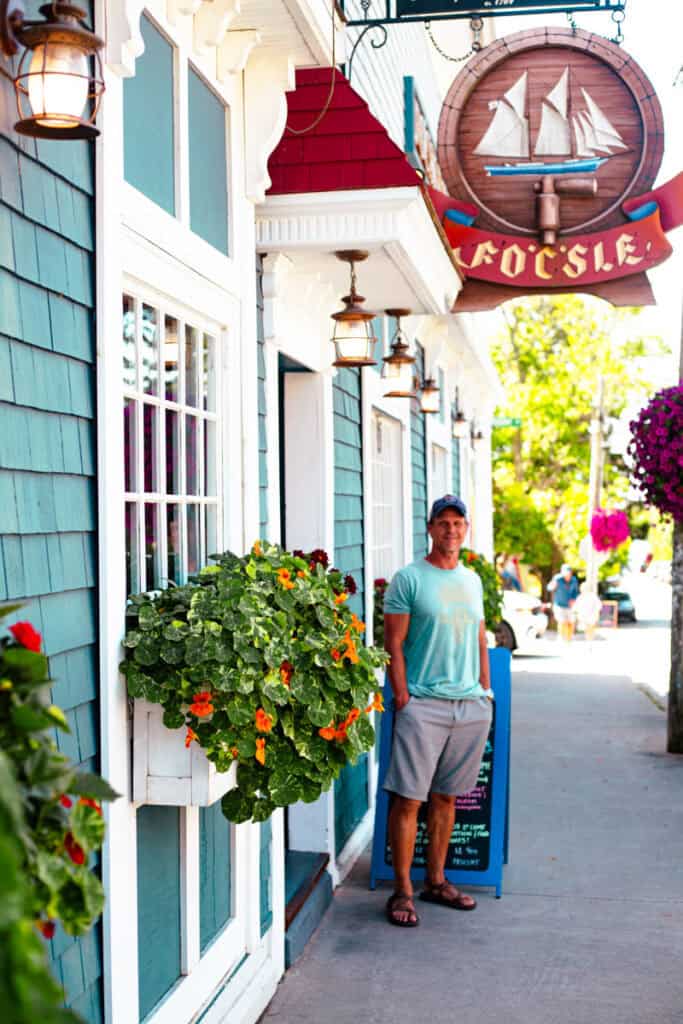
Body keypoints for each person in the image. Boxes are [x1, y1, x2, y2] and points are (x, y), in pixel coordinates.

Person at [382, 494, 493, 928]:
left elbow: (480, 639)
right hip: (422, 705)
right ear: (429, 528)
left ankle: (436, 880)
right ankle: (402, 891)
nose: (451, 530)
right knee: (409, 798)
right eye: (443, 522)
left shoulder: (472, 580)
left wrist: (486, 691)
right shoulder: (408, 579)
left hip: (469, 705)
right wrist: (403, 698)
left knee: (447, 796)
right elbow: (393, 643)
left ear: (466, 529)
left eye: (458, 523)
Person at [548, 563, 579, 641]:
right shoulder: (557, 579)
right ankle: (561, 638)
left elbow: (576, 591)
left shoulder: (574, 580)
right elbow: (549, 588)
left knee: (570, 623)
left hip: (570, 606)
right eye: (566, 573)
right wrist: (553, 585)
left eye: (569, 573)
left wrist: (574, 599)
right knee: (562, 622)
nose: (567, 575)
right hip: (559, 604)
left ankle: (568, 639)